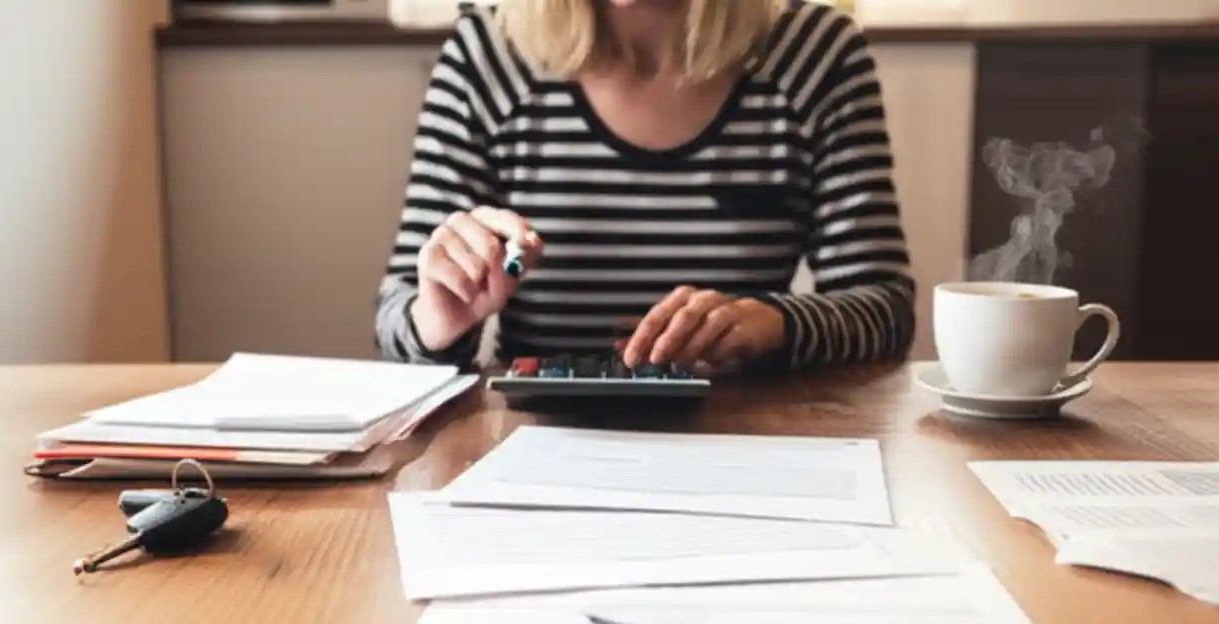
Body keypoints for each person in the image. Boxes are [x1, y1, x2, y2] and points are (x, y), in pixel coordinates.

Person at [375, 0, 914, 372]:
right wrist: (438, 318)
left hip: (744, 440)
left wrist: (775, 323)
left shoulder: (817, 56)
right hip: (540, 444)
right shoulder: (488, 55)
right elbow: (398, 318)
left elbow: (886, 311)